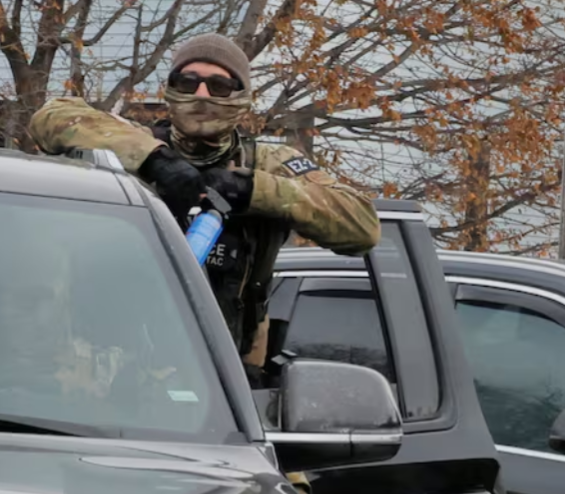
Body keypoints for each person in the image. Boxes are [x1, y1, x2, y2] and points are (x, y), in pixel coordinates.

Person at [29, 32, 381, 374]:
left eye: (219, 86)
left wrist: (254, 190)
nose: (201, 95)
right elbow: (51, 117)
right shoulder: (127, 143)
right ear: (170, 88)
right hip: (108, 367)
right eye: (187, 82)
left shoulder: (269, 163)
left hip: (222, 375)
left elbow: (362, 227)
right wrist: (153, 159)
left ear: (241, 96)